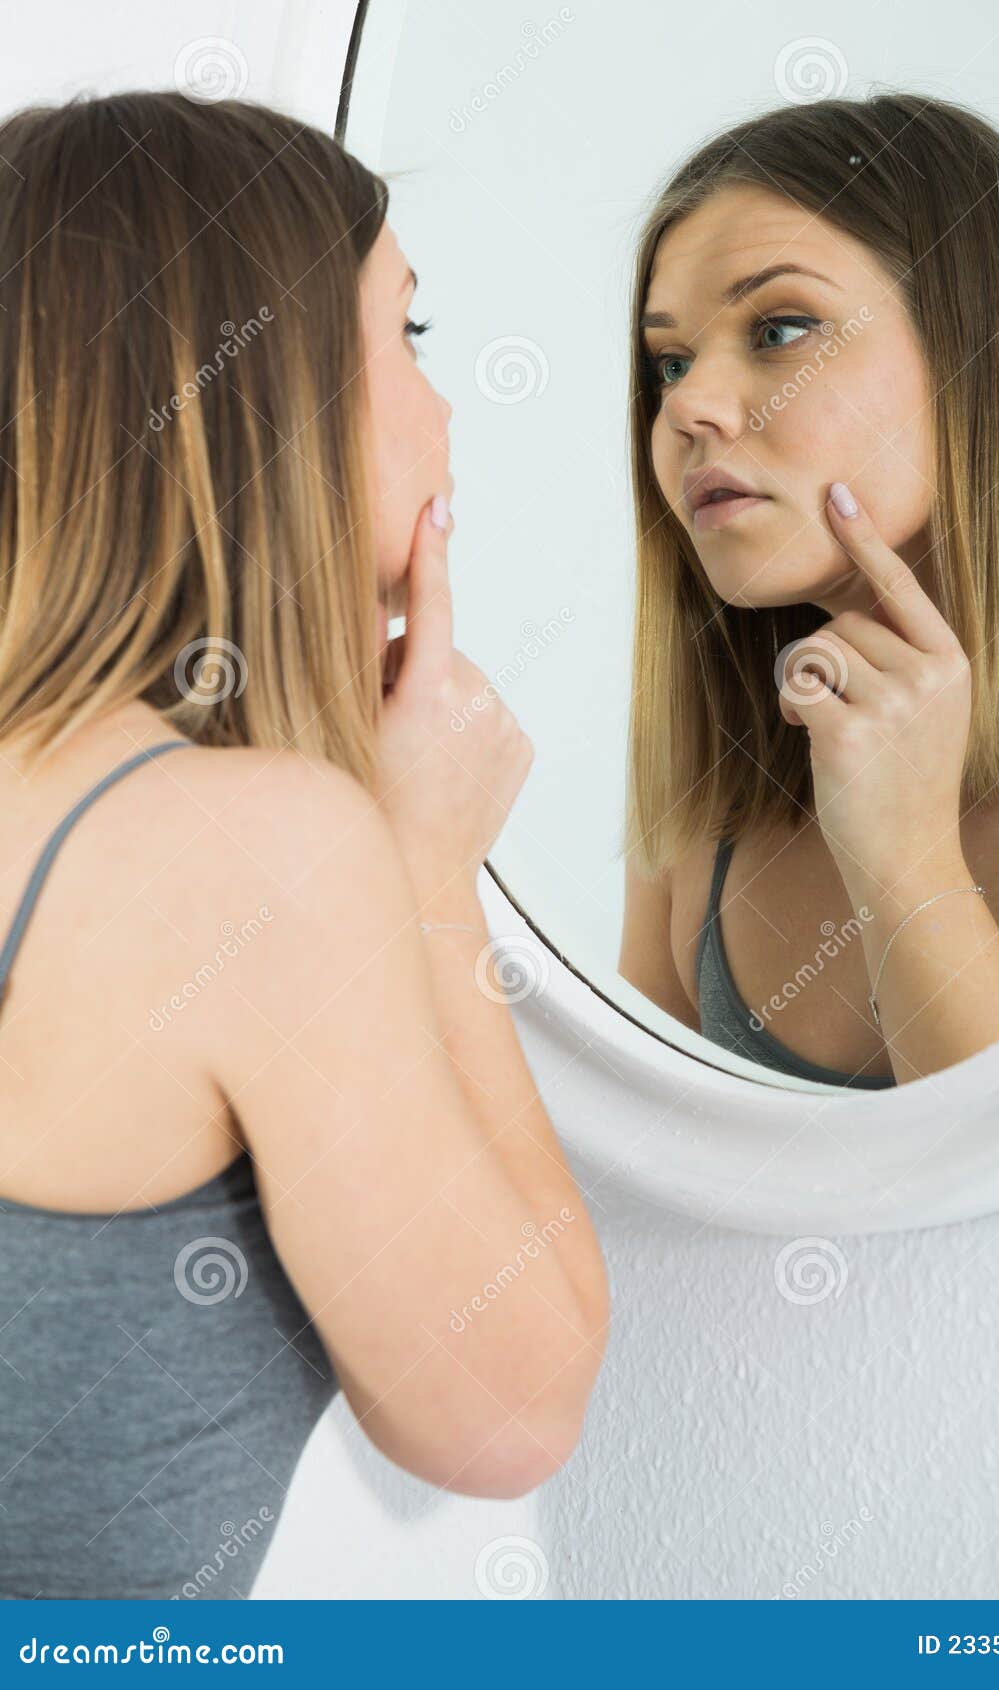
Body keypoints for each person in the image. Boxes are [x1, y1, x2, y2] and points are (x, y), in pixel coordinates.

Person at [0, 90, 608, 1599]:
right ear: (252, 393)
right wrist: (423, 865)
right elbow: (509, 1411)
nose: (445, 409)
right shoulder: (240, 859)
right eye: (406, 337)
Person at [619, 92, 999, 1090]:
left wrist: (906, 862)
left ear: (980, 356)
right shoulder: (707, 817)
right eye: (670, 360)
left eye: (779, 327)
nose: (688, 405)